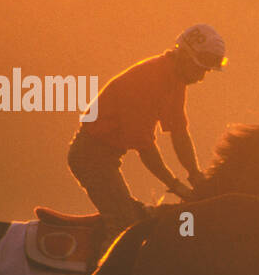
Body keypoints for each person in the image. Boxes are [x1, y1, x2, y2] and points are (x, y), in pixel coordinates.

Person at [68, 24, 226, 242]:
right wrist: (175, 185)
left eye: (206, 71)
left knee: (131, 214)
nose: (202, 77)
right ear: (184, 56)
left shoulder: (177, 80)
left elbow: (179, 132)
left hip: (108, 157)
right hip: (90, 156)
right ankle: (104, 273)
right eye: (200, 69)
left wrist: (195, 175)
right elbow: (145, 148)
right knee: (124, 224)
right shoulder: (149, 79)